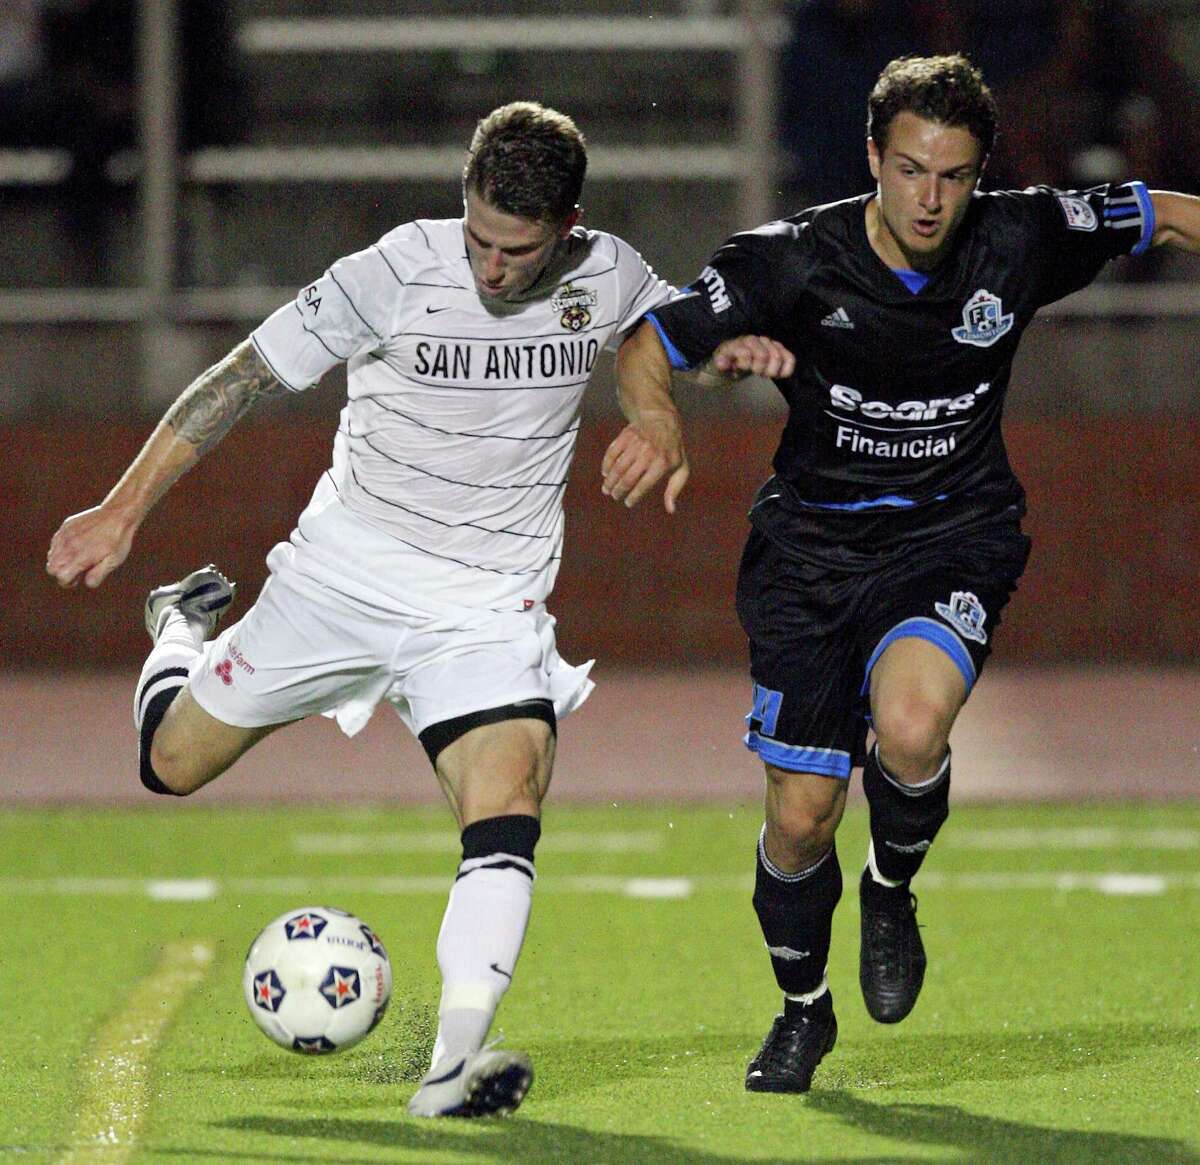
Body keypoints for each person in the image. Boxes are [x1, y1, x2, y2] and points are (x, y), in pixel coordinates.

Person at [45, 101, 696, 1118]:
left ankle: (453, 1066)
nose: (489, 267)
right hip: (342, 576)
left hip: (484, 603)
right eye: (477, 237)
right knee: (169, 765)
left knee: (510, 795)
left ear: (567, 228)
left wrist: (674, 396)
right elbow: (243, 375)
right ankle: (181, 627)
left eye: (515, 250)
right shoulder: (391, 270)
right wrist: (124, 509)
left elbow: (665, 324)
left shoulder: (606, 268)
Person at [602, 54, 1200, 1094]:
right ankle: (802, 1008)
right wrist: (657, 414)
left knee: (915, 725)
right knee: (799, 819)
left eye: (956, 176)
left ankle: (890, 889)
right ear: (873, 156)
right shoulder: (788, 260)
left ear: (982, 176)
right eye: (911, 169)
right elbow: (650, 341)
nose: (931, 198)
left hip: (952, 536)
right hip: (811, 557)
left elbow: (1165, 211)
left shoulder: (1022, 237)